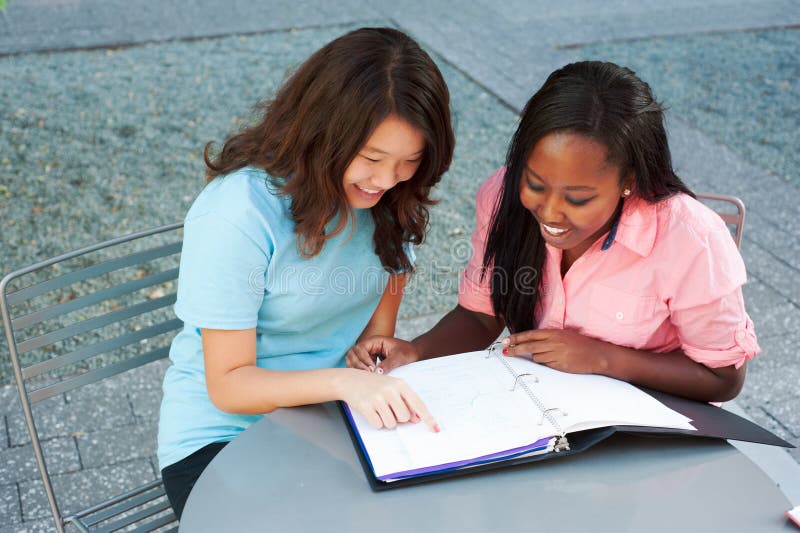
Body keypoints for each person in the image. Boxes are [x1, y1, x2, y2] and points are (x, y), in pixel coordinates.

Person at [157, 27, 454, 519]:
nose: (385, 180)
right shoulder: (240, 211)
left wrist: (370, 366)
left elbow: (371, 345)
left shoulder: (391, 201)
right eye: (371, 159)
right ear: (324, 133)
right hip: (221, 441)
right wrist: (346, 385)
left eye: (409, 162)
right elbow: (228, 386)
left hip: (330, 423)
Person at [347, 60, 759, 404]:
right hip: (539, 410)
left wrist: (604, 359)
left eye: (578, 198)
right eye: (535, 184)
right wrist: (417, 351)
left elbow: (723, 378)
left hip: (651, 420)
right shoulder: (502, 196)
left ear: (629, 181)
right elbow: (481, 314)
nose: (548, 212)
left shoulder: (690, 238)